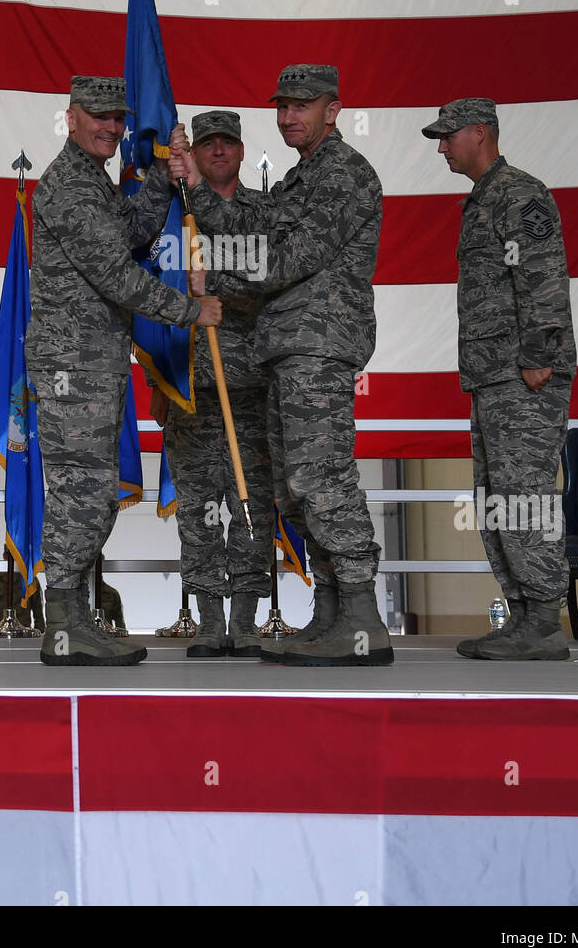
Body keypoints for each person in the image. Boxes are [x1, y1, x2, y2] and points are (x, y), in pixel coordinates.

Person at [174, 65, 391, 667]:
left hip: (318, 343)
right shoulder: (299, 180)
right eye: (283, 105)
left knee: (322, 479)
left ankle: (361, 615)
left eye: (303, 105)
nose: (290, 115)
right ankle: (330, 611)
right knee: (295, 488)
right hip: (284, 349)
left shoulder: (344, 175)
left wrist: (208, 280)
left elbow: (283, 259)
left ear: (334, 109)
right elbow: (244, 234)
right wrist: (193, 186)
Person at [25, 75, 222, 667]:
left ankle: (74, 619)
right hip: (72, 367)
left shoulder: (92, 182)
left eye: (117, 117)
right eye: (98, 116)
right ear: (71, 118)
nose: (110, 126)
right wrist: (189, 310)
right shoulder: (66, 188)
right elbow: (116, 275)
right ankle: (63, 626)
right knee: (82, 494)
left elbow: (134, 234)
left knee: (90, 492)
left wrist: (165, 177)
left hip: (92, 363)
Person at [422, 97, 576, 661]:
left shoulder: (520, 194)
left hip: (522, 374)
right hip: (494, 377)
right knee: (496, 496)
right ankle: (521, 616)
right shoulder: (483, 199)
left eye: (447, 136)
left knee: (523, 494)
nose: (441, 147)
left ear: (479, 133)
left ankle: (543, 623)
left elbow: (543, 280)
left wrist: (537, 356)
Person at [151, 111, 274, 658]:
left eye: (228, 143)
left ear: (243, 151)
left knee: (252, 504)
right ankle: (207, 617)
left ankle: (245, 617)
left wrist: (213, 281)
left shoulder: (261, 212)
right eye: (208, 144)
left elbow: (264, 279)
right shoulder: (170, 219)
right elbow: (149, 293)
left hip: (247, 384)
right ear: (194, 153)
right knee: (199, 508)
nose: (219, 151)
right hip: (189, 385)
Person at [0, 553, 44, 631]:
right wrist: (40, 633)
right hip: (21, 632)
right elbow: (38, 612)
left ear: (4, 556)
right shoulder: (29, 580)